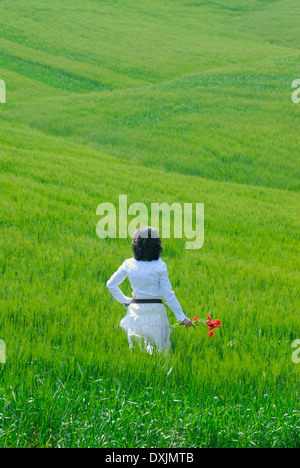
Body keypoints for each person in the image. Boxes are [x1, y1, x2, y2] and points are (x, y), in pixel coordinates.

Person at [106, 226, 192, 353]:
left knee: (136, 351)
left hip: (136, 312)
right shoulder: (160, 266)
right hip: (157, 314)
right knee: (159, 354)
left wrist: (126, 300)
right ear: (157, 246)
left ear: (135, 245)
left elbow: (111, 284)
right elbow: (168, 295)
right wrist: (182, 317)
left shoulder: (129, 264)